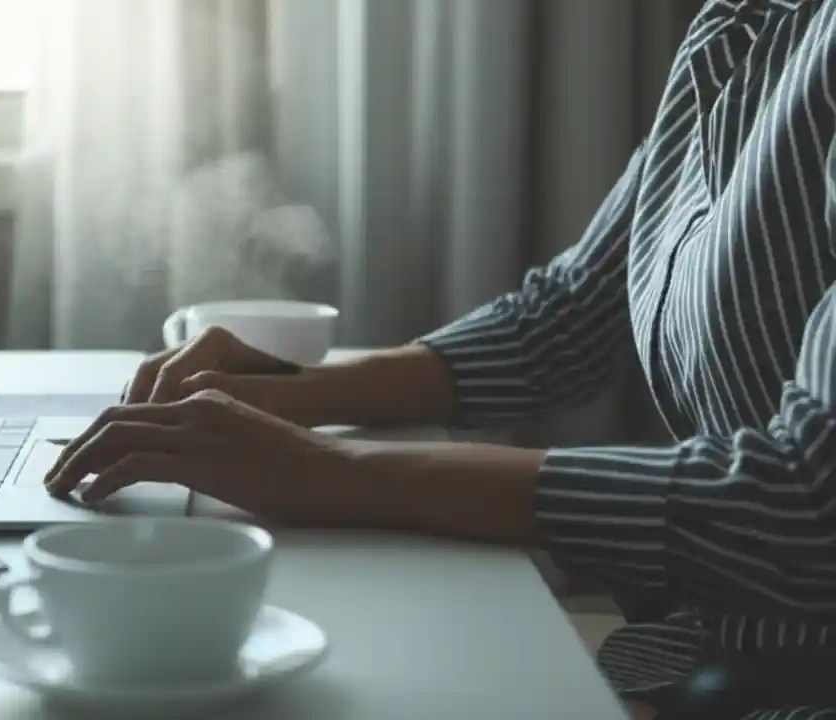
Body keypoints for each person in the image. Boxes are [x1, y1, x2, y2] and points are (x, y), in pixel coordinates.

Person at [46, 1, 836, 718]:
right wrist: (291, 394)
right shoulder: (749, 27)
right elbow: (564, 321)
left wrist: (333, 473)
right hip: (696, 657)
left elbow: (809, 506)